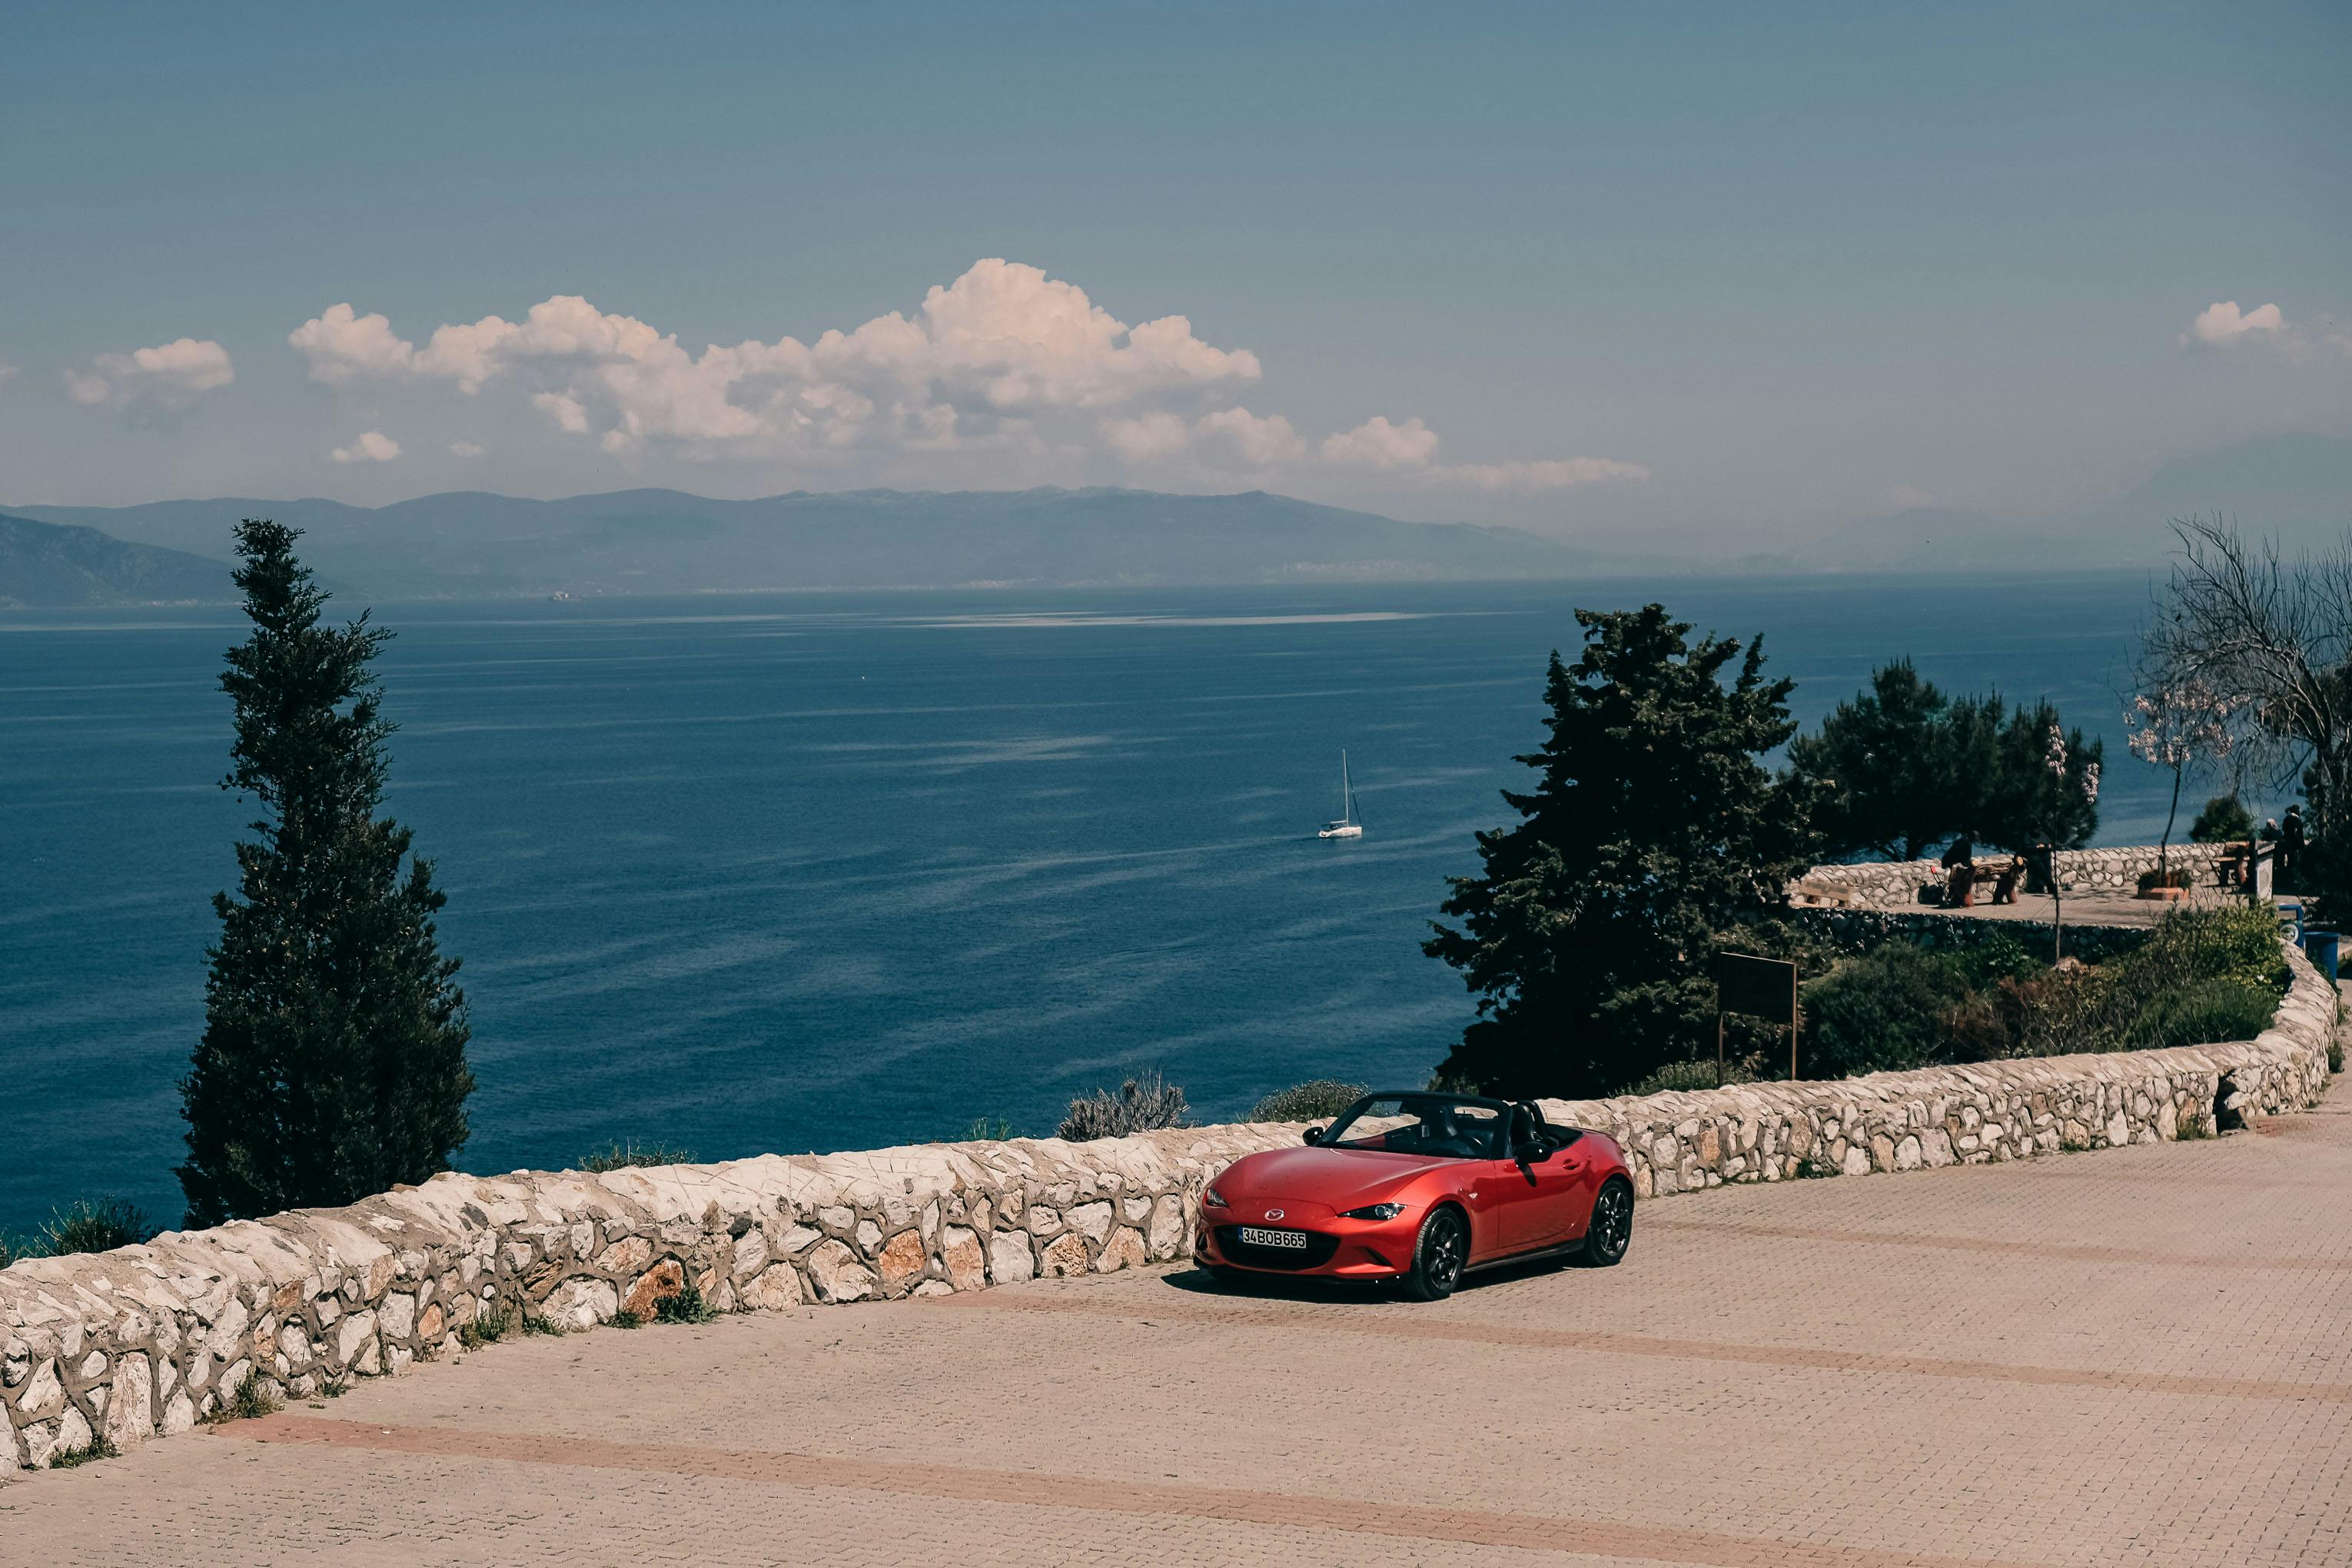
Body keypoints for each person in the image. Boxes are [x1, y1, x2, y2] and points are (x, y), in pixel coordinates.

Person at [1940, 836, 1976, 908]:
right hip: (1958, 866)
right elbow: (1967, 857)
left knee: (1954, 879)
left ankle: (1951, 896)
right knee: (1956, 879)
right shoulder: (1967, 843)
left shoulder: (1961, 842)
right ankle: (1953, 896)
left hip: (1953, 863)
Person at [2280, 805, 2307, 891]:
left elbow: (2284, 831)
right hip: (2294, 845)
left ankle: (2288, 879)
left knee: (2290, 862)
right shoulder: (2297, 820)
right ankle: (2296, 881)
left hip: (2286, 844)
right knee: (2294, 863)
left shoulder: (2286, 819)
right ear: (2297, 811)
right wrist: (2301, 846)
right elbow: (2299, 835)